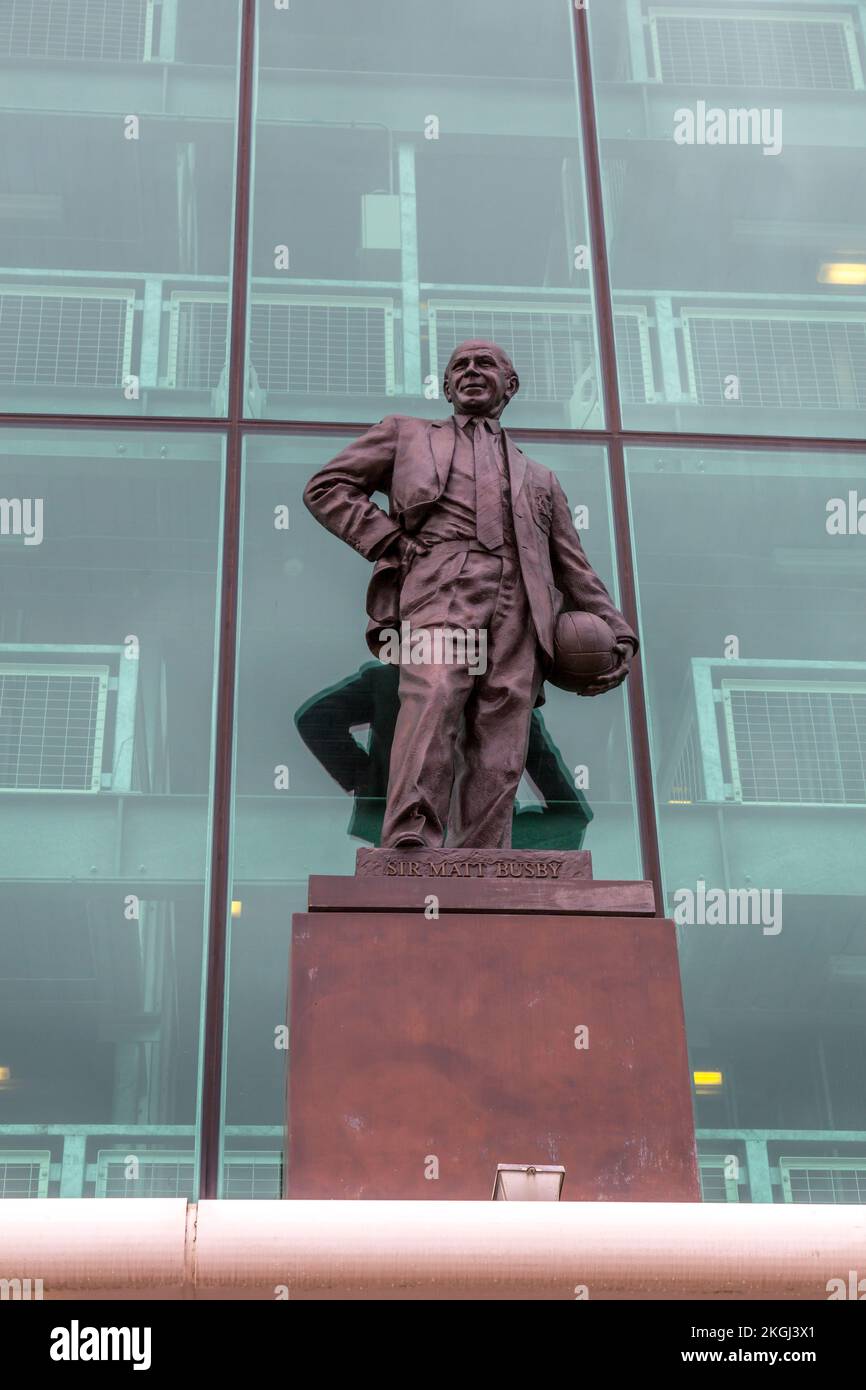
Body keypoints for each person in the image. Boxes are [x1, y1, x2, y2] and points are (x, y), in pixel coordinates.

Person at [303, 340, 637, 848]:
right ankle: (410, 837)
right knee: (433, 696)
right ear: (446, 386)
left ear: (511, 385)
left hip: (521, 604)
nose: (471, 372)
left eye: (486, 365)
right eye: (460, 366)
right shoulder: (405, 435)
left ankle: (482, 855)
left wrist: (617, 631)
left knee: (502, 729)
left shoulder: (542, 479)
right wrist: (390, 541)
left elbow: (574, 568)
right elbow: (327, 487)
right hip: (443, 585)